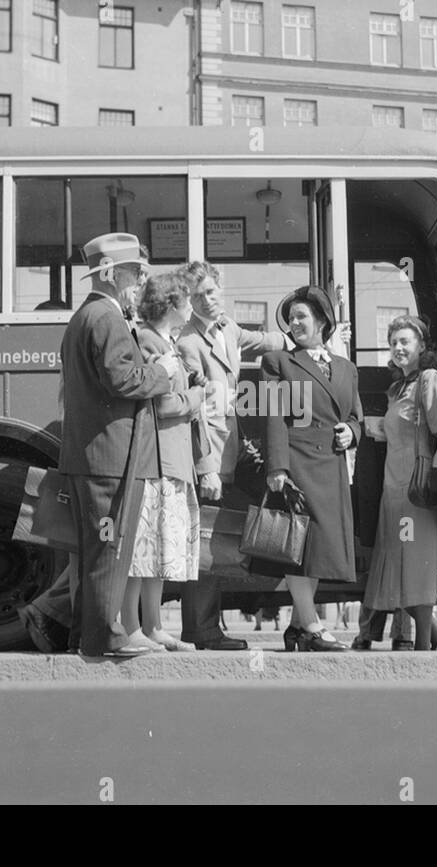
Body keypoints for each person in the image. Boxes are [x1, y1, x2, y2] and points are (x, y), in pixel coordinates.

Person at [52, 232, 179, 657]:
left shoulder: (87, 317)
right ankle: (106, 635)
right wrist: (162, 371)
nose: (141, 282)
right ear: (109, 273)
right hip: (111, 458)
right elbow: (123, 379)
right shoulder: (107, 318)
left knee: (94, 550)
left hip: (95, 455)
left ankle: (86, 636)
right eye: (135, 273)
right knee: (110, 549)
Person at [174, 261, 291, 650]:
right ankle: (202, 630)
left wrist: (314, 337)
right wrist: (206, 469)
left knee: (283, 496)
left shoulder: (228, 328)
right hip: (213, 454)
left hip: (236, 446)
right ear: (188, 301)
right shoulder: (189, 342)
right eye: (197, 296)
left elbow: (265, 341)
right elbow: (198, 410)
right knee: (208, 539)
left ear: (221, 289)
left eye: (211, 292)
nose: (207, 300)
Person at [252, 285, 362, 651]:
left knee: (318, 547)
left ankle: (299, 626)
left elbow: (355, 416)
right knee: (298, 544)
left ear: (322, 321)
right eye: (292, 318)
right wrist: (277, 467)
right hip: (297, 464)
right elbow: (272, 415)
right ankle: (312, 625)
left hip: (331, 465)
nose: (295, 323)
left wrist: (353, 432)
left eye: (302, 316)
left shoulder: (347, 369)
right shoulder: (277, 361)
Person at [118, 272, 206, 651]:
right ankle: (134, 625)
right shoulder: (150, 341)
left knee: (158, 550)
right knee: (142, 549)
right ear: (172, 304)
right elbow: (165, 405)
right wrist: (198, 397)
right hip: (158, 458)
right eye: (187, 300)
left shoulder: (164, 341)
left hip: (172, 459)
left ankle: (153, 627)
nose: (192, 307)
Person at [358, 316, 437, 650]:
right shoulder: (398, 388)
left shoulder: (429, 380)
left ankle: (426, 643)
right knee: (401, 561)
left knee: (414, 560)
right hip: (394, 490)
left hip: (417, 489)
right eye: (394, 342)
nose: (398, 348)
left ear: (422, 346)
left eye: (405, 342)